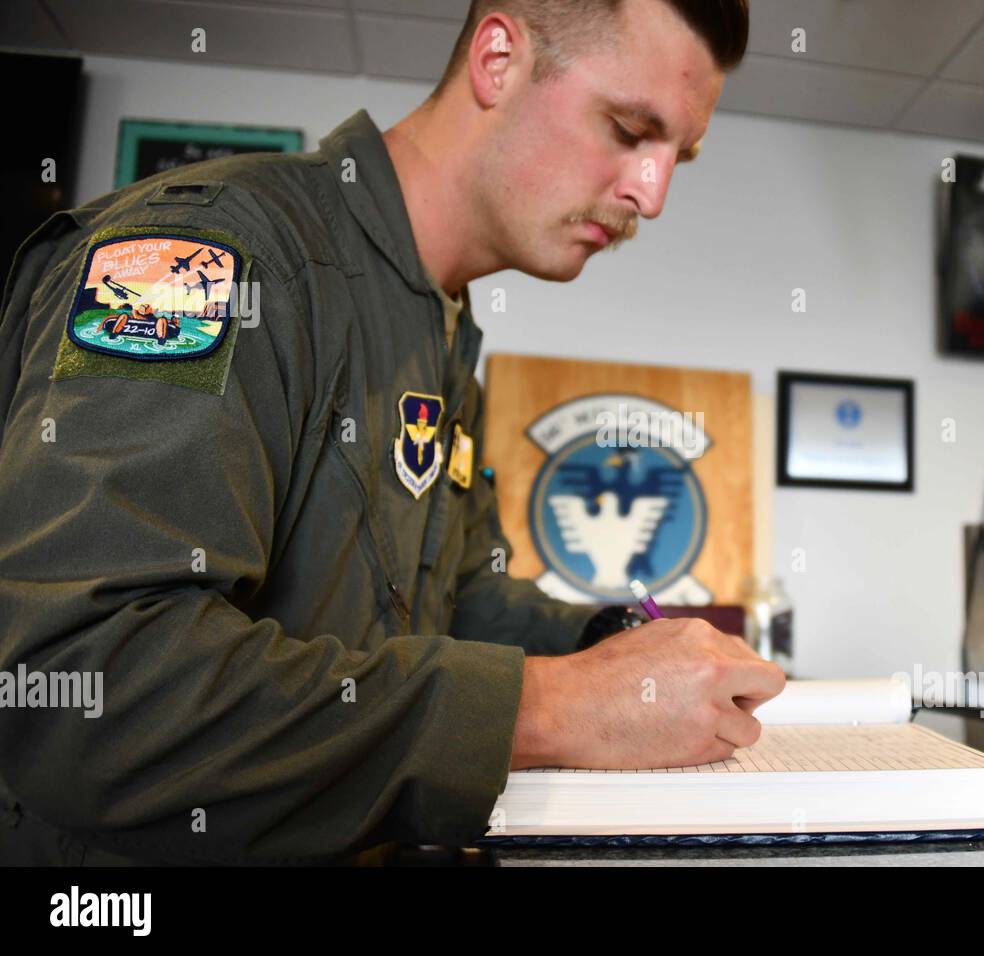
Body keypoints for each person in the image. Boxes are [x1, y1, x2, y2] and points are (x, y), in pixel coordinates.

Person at [0, 0, 783, 865]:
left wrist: (618, 644)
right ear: (498, 59)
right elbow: (85, 688)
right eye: (630, 130)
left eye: (678, 157)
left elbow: (459, 600)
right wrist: (551, 706)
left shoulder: (439, 336)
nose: (652, 194)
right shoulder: (200, 255)